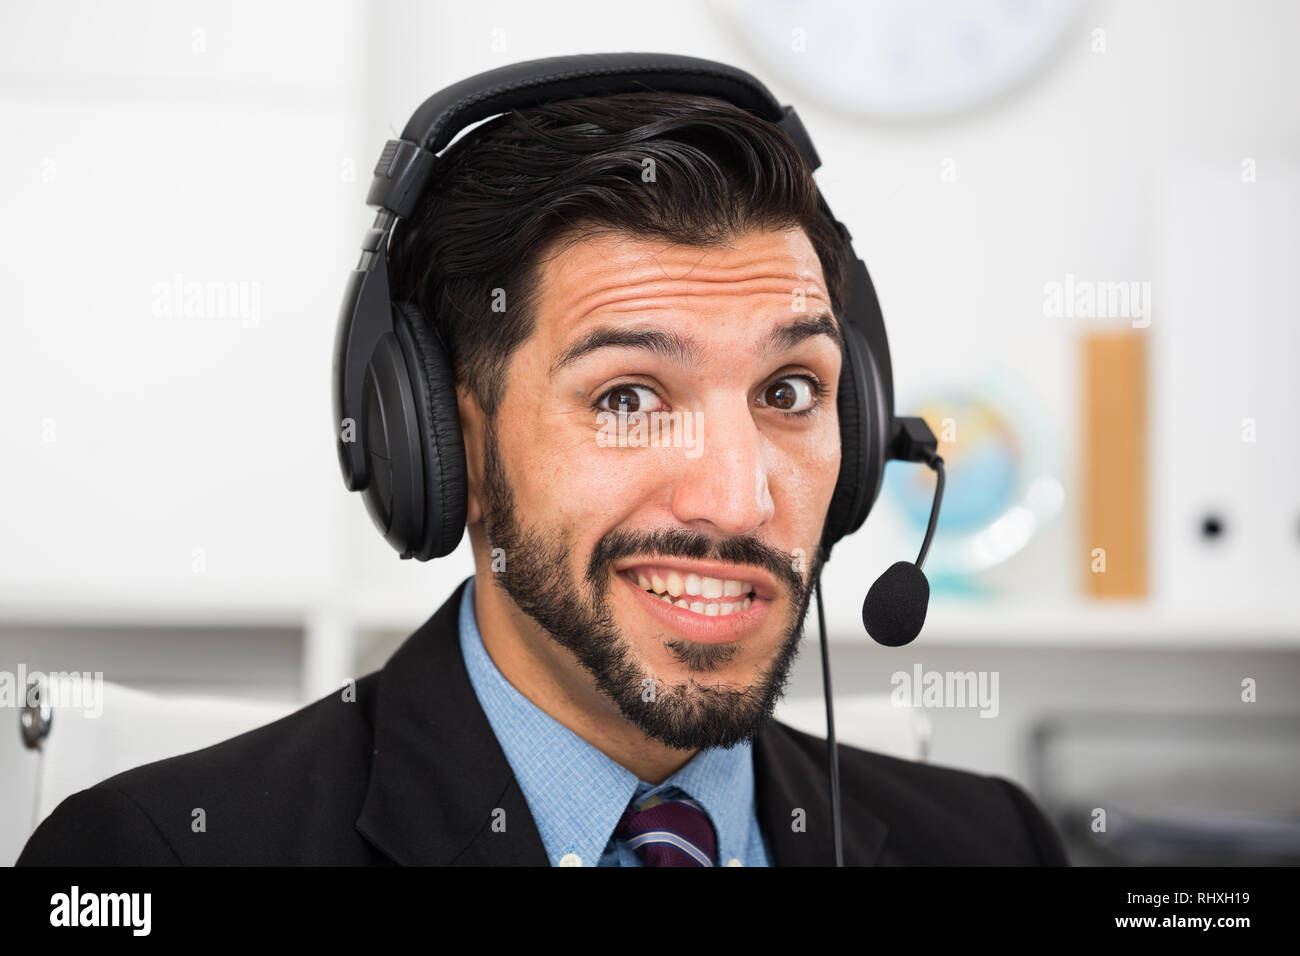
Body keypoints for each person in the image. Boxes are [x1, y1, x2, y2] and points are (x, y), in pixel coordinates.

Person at [18, 88, 1068, 867]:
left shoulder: (995, 844)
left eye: (789, 391)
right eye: (626, 397)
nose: (740, 499)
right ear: (441, 443)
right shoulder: (148, 856)